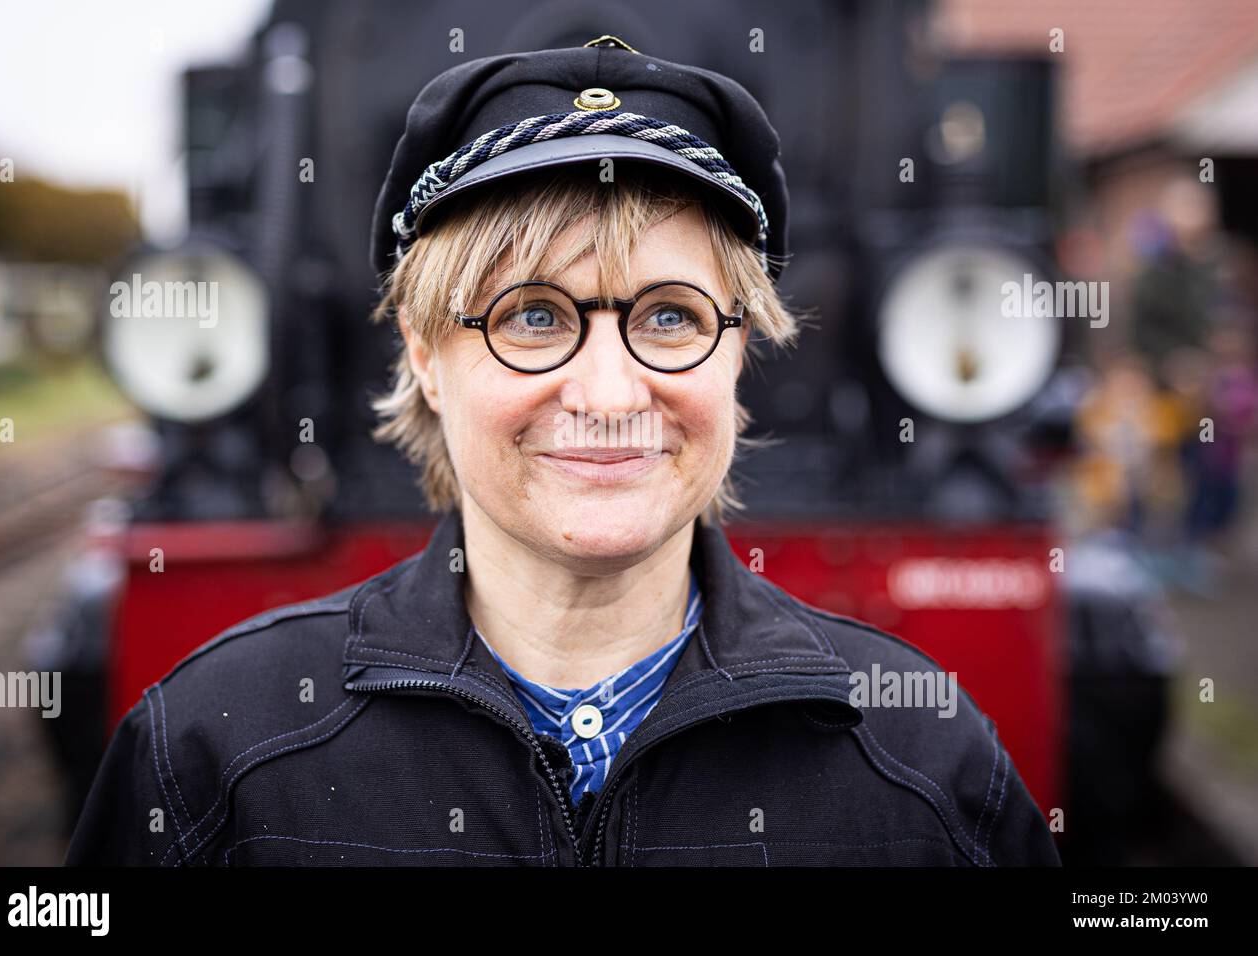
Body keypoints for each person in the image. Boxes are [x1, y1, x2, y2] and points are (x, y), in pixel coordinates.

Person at [66, 36, 1060, 866]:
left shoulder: (930, 763)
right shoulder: (206, 750)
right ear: (425, 352)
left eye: (669, 315)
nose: (608, 391)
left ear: (739, 348)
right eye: (532, 316)